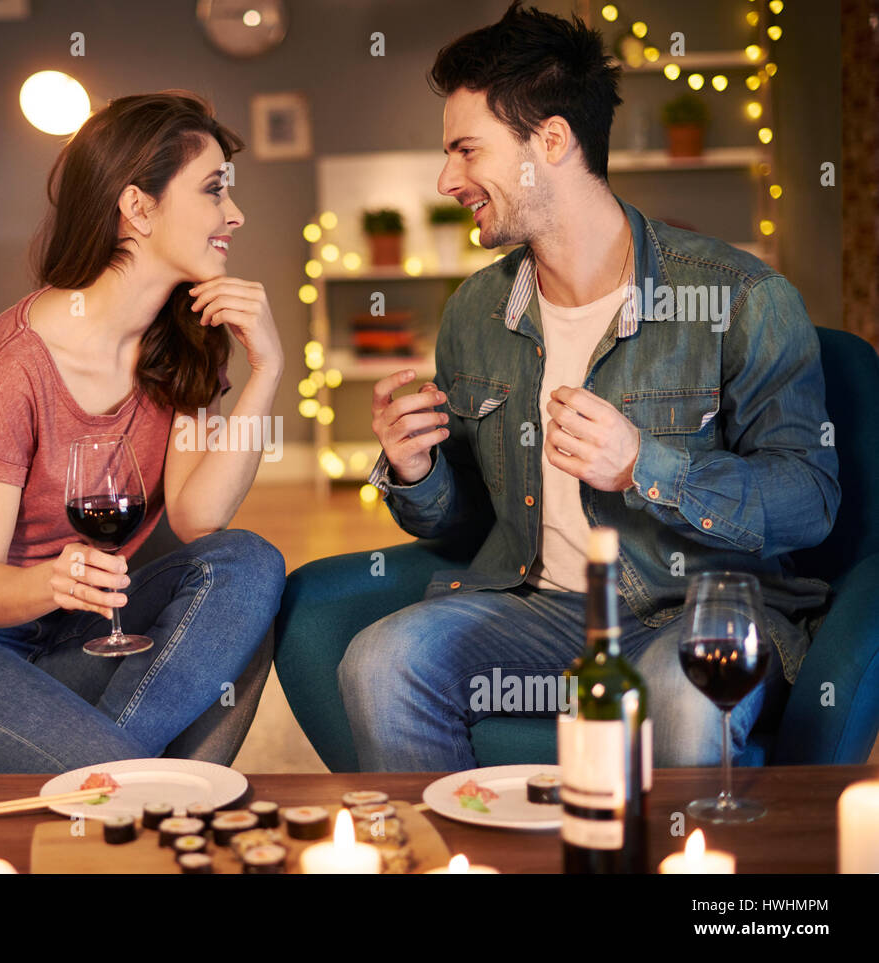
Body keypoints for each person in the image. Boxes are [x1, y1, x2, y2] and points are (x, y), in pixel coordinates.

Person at [338, 2, 839, 771]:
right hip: (536, 609)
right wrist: (417, 470)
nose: (448, 179)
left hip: (692, 610)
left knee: (683, 693)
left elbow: (810, 499)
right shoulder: (477, 309)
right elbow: (467, 517)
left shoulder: (740, 297)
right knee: (381, 662)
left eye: (467, 151)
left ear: (554, 140)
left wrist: (645, 464)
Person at [0, 91, 287, 773]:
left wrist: (266, 368)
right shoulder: (11, 366)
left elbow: (201, 517)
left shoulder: (185, 341)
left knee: (250, 560)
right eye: (213, 191)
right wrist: (57, 580)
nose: (235, 214)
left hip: (70, 628)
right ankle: (112, 775)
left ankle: (101, 770)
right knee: (112, 770)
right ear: (138, 208)